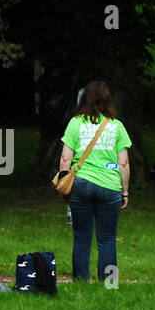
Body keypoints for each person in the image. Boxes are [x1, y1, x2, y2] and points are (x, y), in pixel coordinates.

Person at [58, 81, 131, 283]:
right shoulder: (116, 126)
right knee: (107, 239)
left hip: (80, 184)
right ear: (108, 100)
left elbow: (65, 159)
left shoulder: (75, 123)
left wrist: (64, 186)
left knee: (81, 239)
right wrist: (124, 192)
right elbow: (123, 163)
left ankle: (80, 283)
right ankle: (110, 284)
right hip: (109, 186)